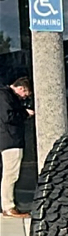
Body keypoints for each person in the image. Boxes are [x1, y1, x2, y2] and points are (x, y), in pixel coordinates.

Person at [2, 75, 34, 218]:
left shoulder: (5, 96)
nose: (24, 98)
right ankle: (8, 206)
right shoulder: (5, 97)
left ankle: (7, 204)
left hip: (8, 138)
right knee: (11, 175)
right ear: (21, 88)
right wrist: (25, 113)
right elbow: (8, 117)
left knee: (9, 174)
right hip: (11, 139)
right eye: (25, 94)